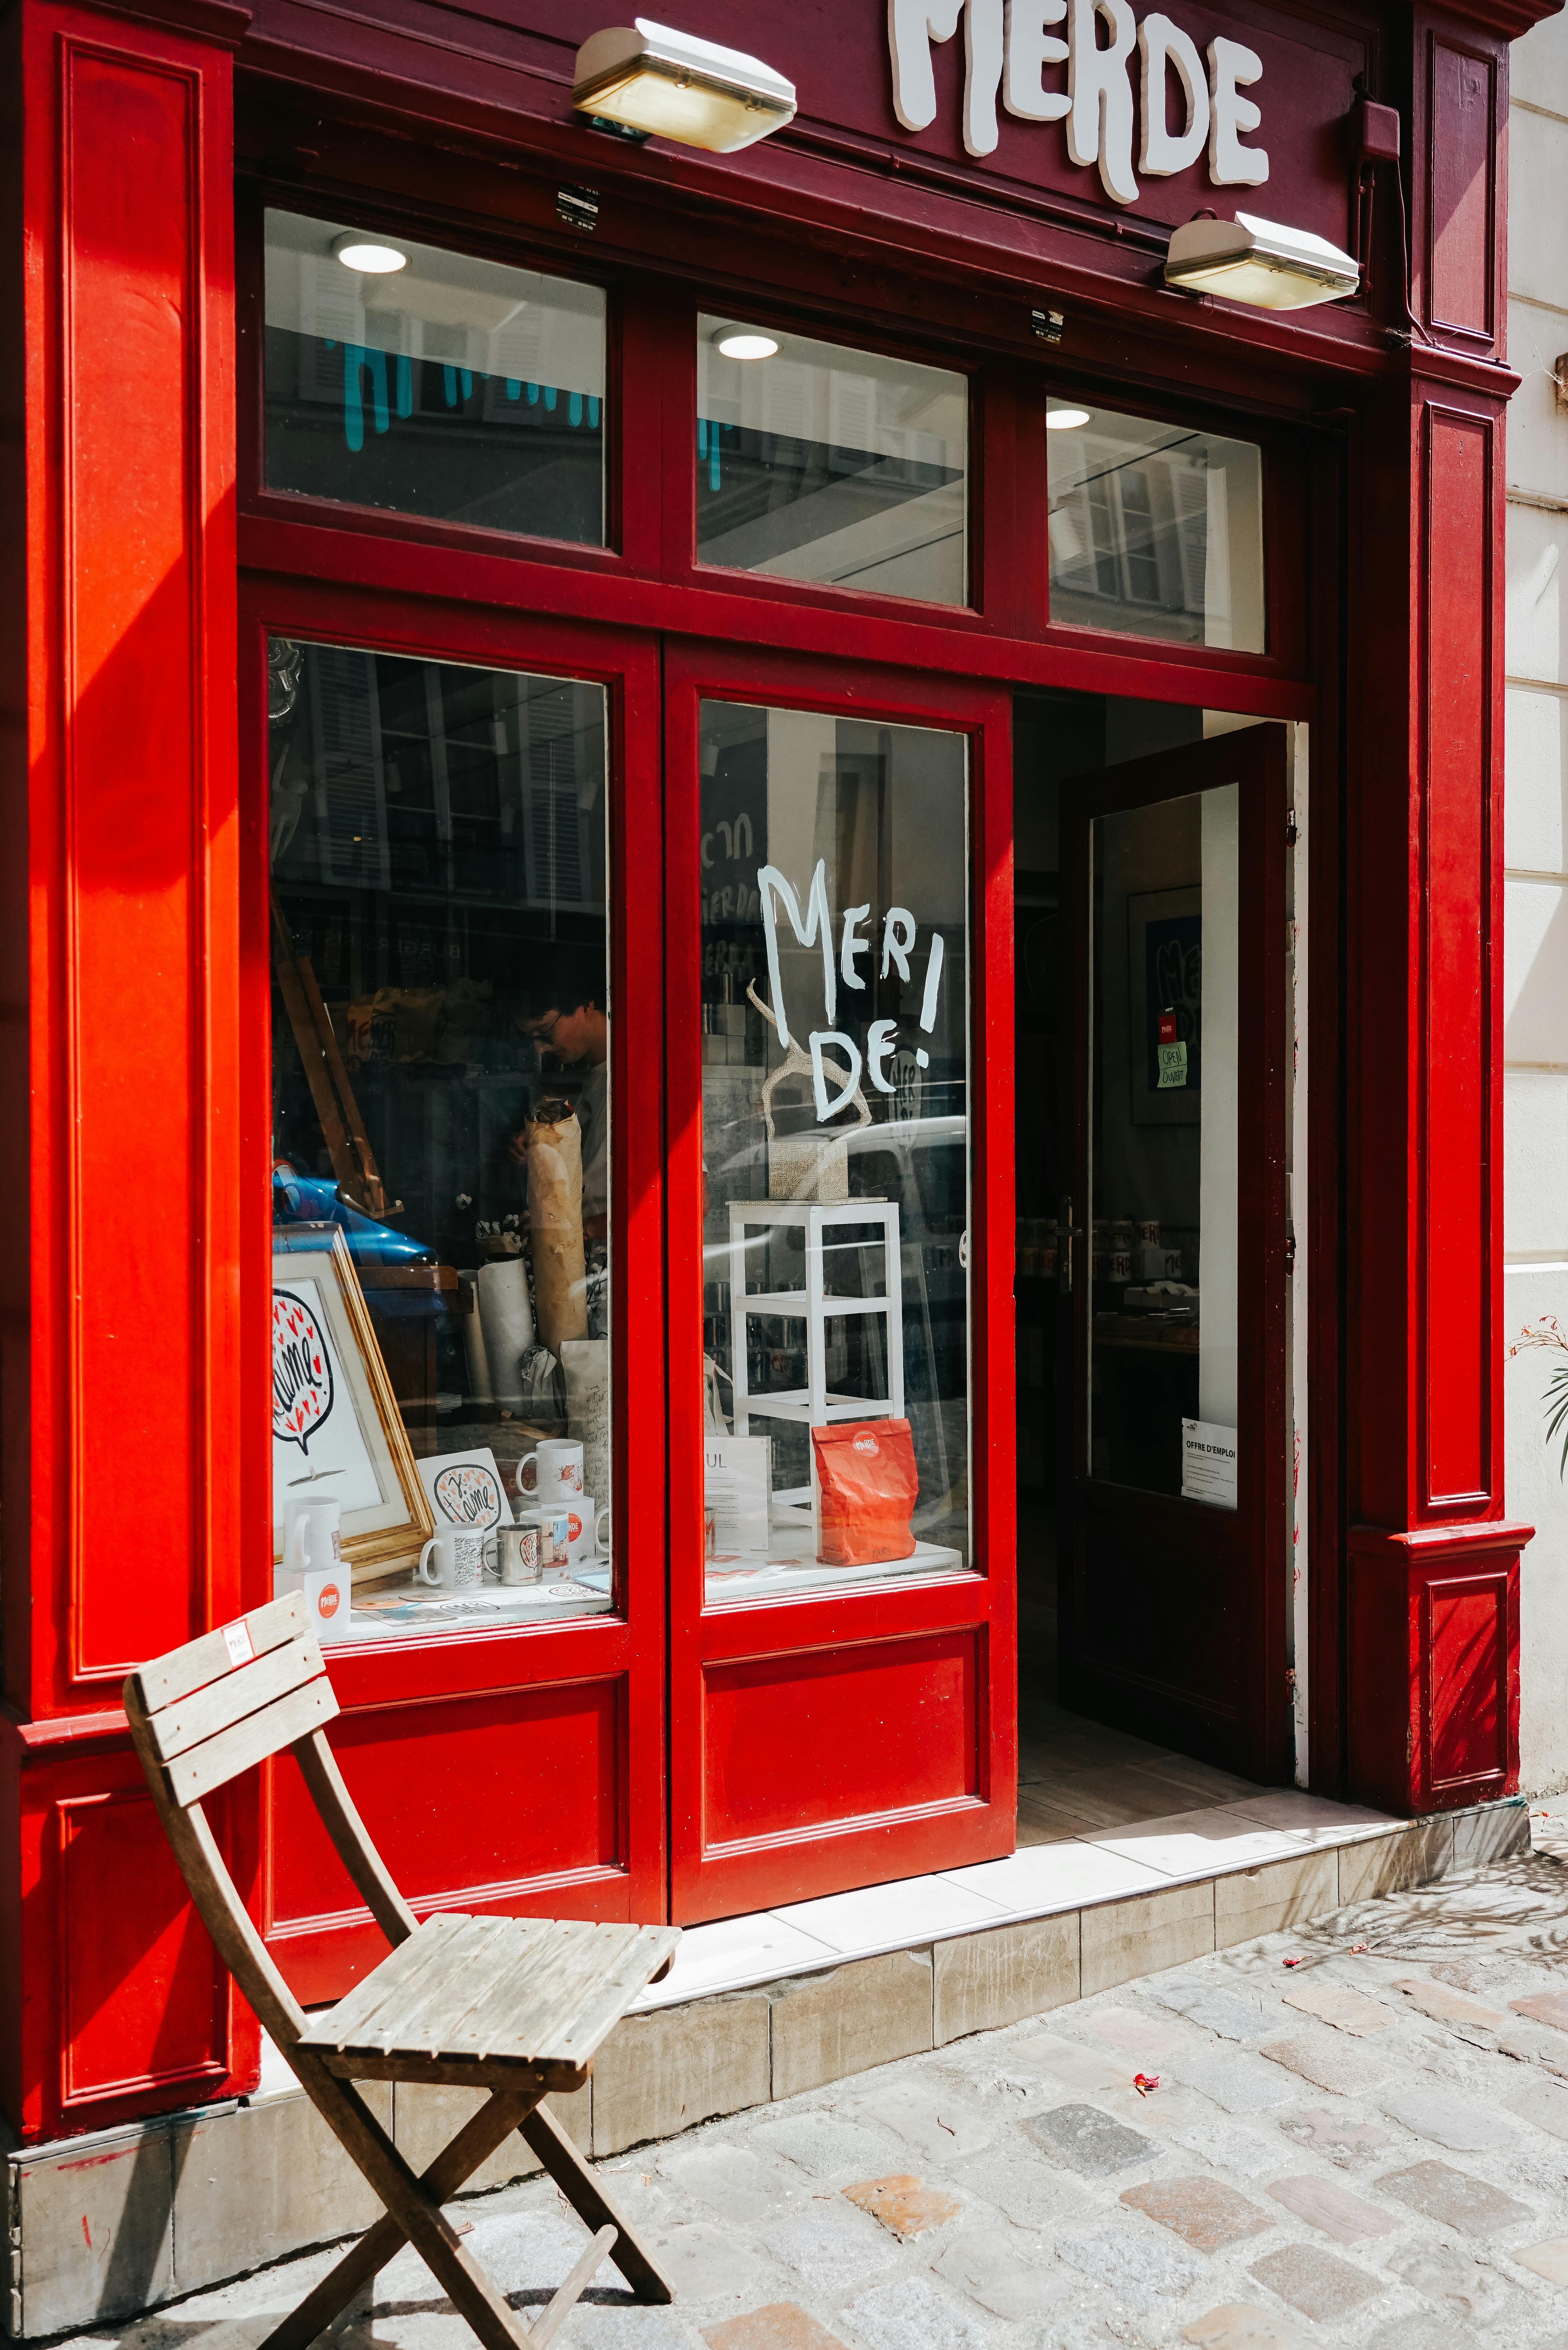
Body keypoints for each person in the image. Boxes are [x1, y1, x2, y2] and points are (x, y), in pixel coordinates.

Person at [510, 957, 609, 1241]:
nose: (540, 1049)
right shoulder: (596, 1077)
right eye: (532, 1039)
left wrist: (584, 1228)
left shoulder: (638, 1078)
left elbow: (688, 1200)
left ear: (586, 1007)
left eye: (545, 1032)